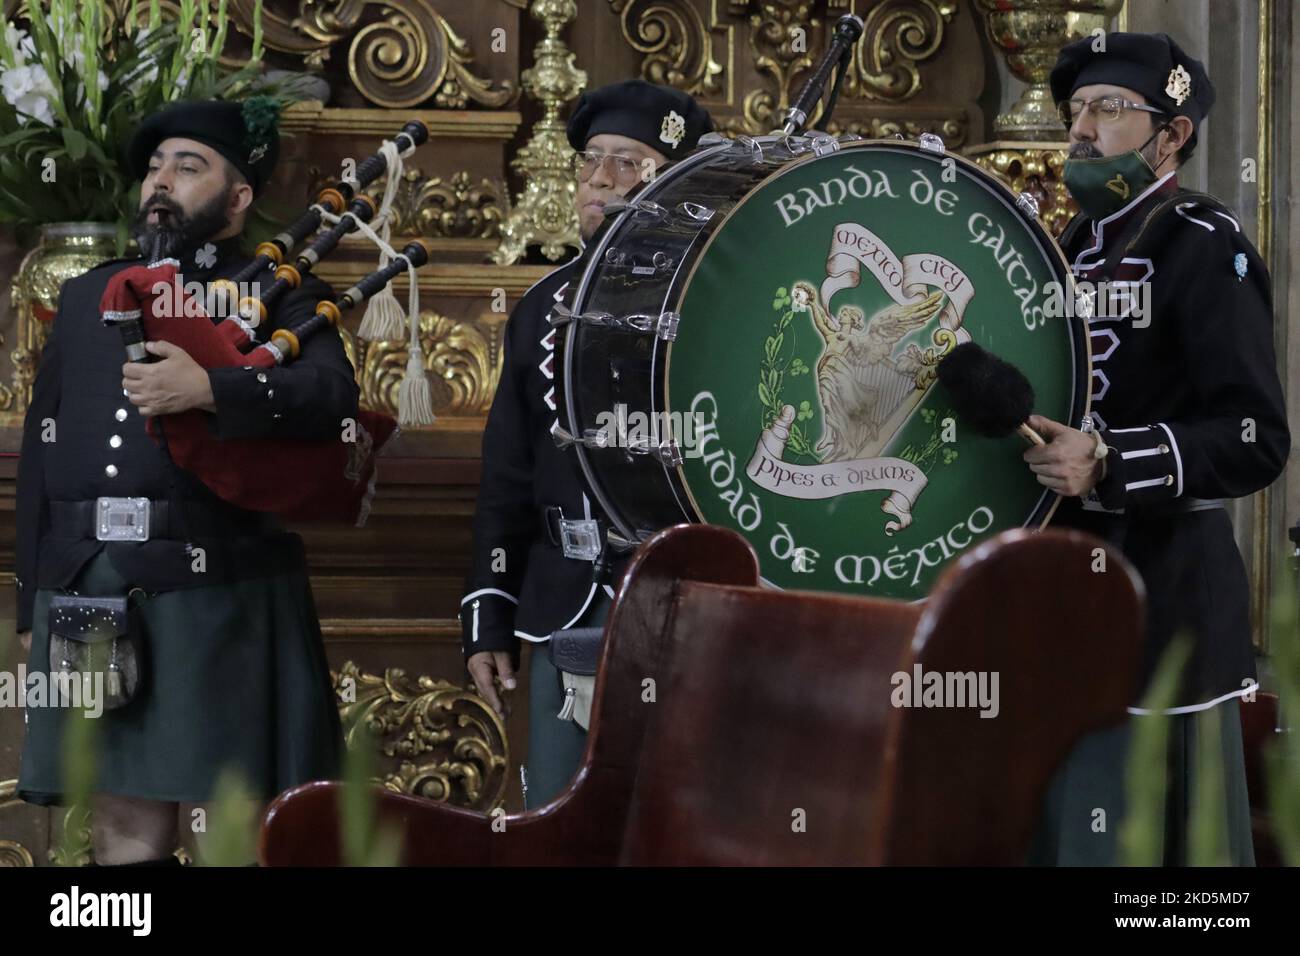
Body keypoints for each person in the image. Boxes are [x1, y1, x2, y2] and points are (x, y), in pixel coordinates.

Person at [15, 99, 353, 864]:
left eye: (188, 167)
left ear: (240, 199)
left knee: (226, 828)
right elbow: (46, 444)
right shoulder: (84, 294)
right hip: (88, 591)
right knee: (119, 824)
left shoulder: (280, 294)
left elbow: (332, 403)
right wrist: (32, 593)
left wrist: (212, 388)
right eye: (154, 168)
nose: (160, 182)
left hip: (217, 588)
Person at [1023, 33, 1289, 865]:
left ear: (1170, 135)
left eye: (1107, 109)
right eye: (1074, 112)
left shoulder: (1206, 244)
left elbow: (1255, 437)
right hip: (1067, 597)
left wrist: (1111, 460)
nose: (1080, 130)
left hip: (1169, 599)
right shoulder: (1068, 249)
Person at [460, 80, 712, 808]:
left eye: (627, 162)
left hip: (692, 606)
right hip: (563, 605)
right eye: (591, 162)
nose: (600, 180)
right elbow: (507, 475)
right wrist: (488, 612)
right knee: (561, 823)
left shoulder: (723, 300)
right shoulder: (540, 306)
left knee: (683, 819)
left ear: (676, 180)